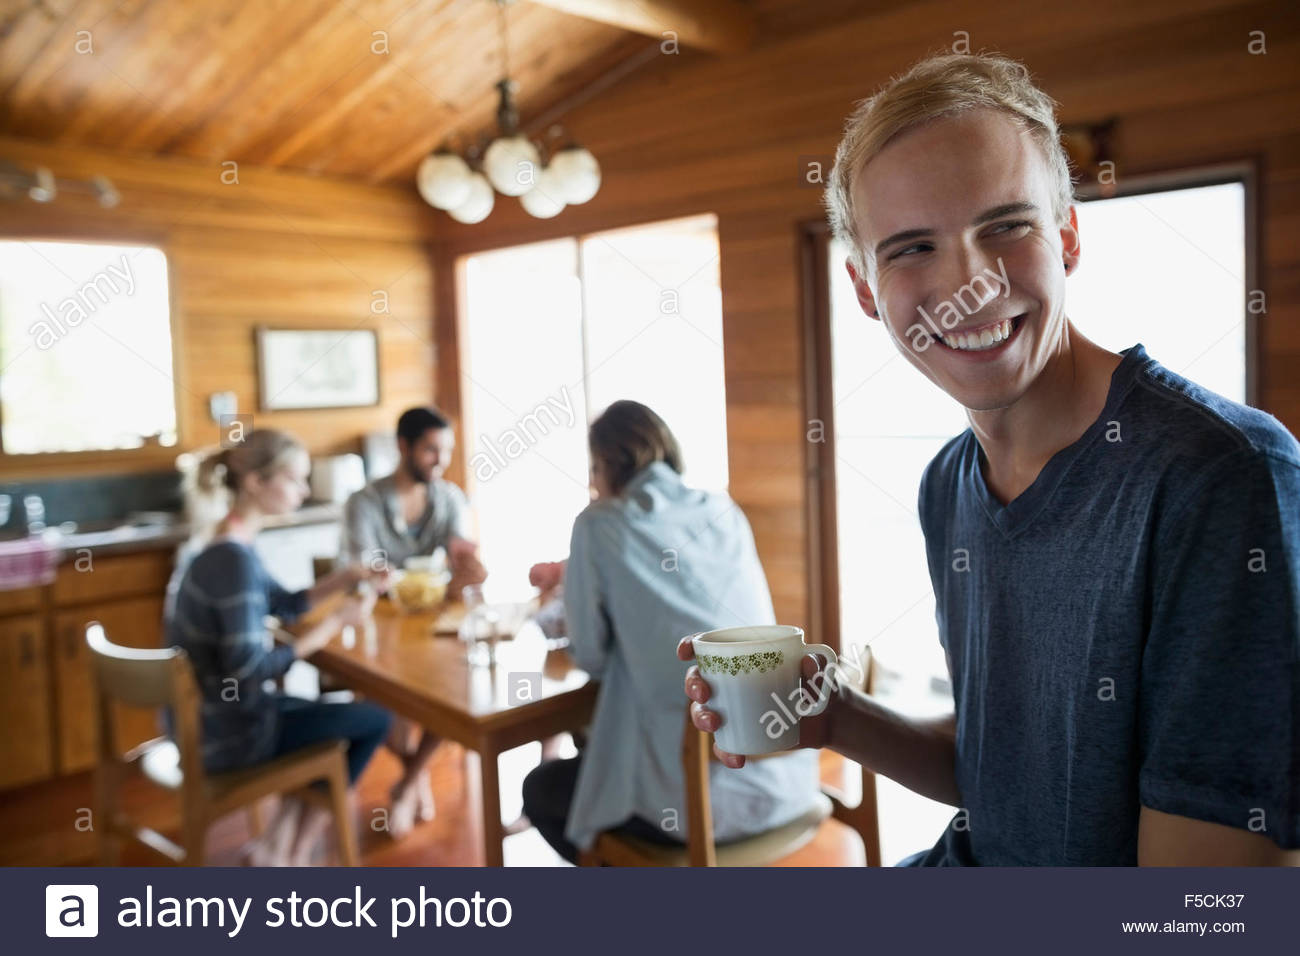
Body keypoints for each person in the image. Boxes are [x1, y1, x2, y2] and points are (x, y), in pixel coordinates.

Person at [683, 52, 1300, 866]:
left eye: (1005, 227)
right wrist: (835, 718)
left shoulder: (1220, 475)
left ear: (1067, 236)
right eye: (910, 249)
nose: (968, 284)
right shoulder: (949, 483)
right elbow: (1004, 775)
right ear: (867, 291)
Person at [523, 400, 822, 863]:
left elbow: (591, 657)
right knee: (602, 742)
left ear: (606, 465)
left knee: (541, 788)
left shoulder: (599, 524)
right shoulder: (723, 509)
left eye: (593, 468)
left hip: (698, 807)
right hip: (790, 781)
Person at [166, 429, 391, 866]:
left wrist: (346, 577)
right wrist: (334, 624)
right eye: (294, 479)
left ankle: (278, 842)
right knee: (373, 721)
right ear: (254, 482)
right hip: (231, 736)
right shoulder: (233, 560)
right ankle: (292, 850)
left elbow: (285, 604)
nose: (304, 491)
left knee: (329, 722)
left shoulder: (224, 542)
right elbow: (250, 670)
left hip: (206, 723)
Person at [341, 405, 487, 836]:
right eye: (430, 449)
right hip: (377, 626)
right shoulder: (363, 503)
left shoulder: (448, 498)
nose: (440, 460)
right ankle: (415, 776)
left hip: (431, 625)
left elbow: (462, 558)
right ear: (403, 446)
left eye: (445, 451)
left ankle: (407, 781)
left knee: (453, 693)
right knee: (387, 700)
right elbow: (363, 572)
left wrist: (470, 569)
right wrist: (378, 576)